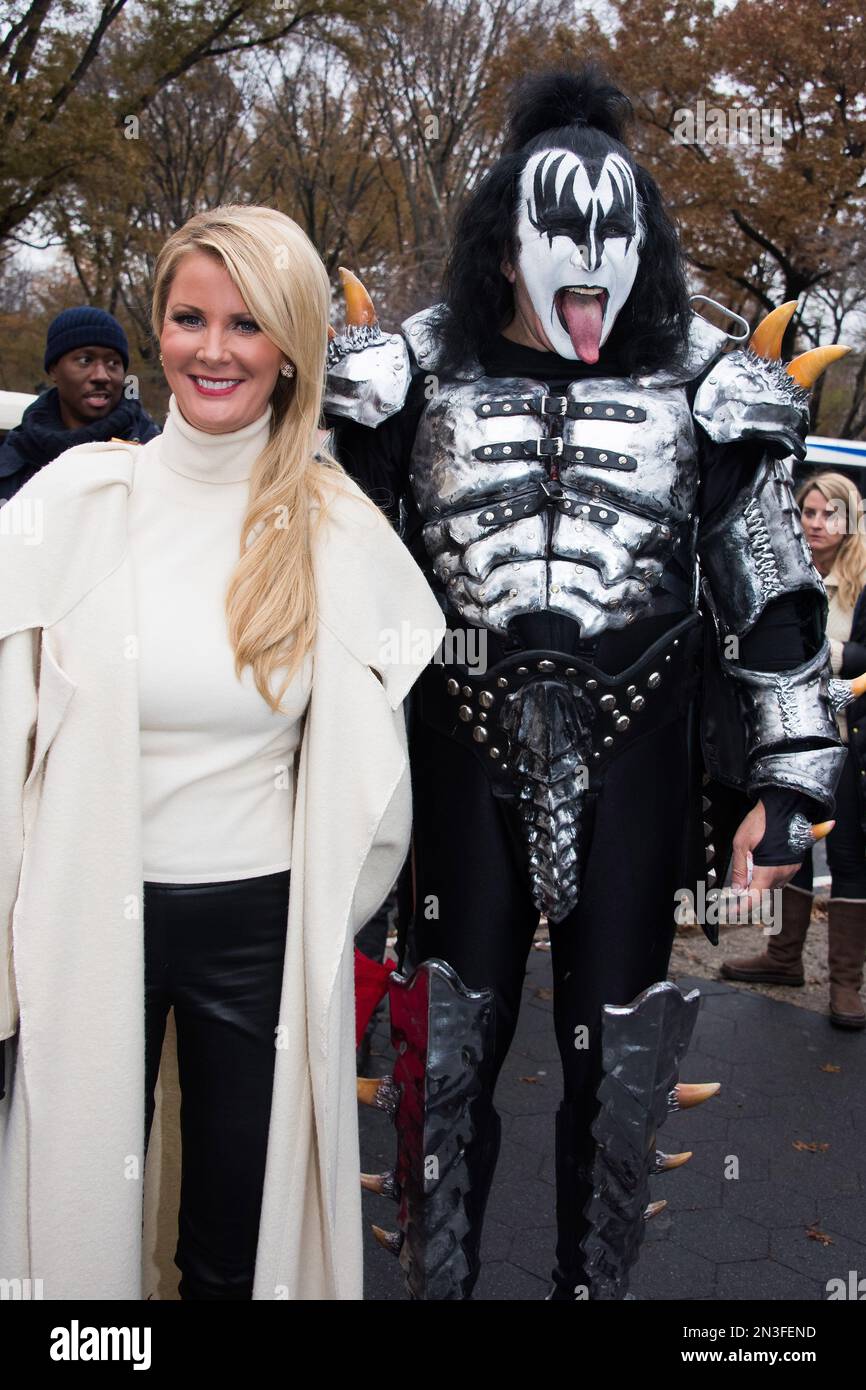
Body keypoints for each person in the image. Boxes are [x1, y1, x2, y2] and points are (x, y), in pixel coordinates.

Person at [323, 66, 857, 1301]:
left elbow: (769, 589)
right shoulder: (406, 374)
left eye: (613, 232)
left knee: (616, 1071)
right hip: (457, 750)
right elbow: (336, 582)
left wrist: (781, 785)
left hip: (637, 756)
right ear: (502, 240)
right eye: (557, 230)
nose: (587, 256)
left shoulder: (706, 384)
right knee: (443, 1057)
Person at [0, 204, 445, 1300]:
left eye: (246, 322)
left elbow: (374, 777)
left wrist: (333, 914)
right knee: (79, 1219)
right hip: (84, 909)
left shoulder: (334, 526)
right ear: (158, 328)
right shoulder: (73, 504)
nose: (213, 347)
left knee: (234, 1243)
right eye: (188, 316)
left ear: (289, 343)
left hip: (260, 926)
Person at [722, 471, 866, 1029]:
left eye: (830, 513)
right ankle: (783, 959)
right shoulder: (783, 571)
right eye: (808, 512)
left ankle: (846, 986)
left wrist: (811, 657)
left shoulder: (861, 578)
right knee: (791, 840)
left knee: (849, 857)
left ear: (850, 518)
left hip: (848, 740)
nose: (817, 523)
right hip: (784, 739)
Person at [0, 306, 160, 503]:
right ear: (53, 370)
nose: (101, 376)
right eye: (85, 360)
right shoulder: (16, 457)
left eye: (113, 363)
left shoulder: (155, 454)